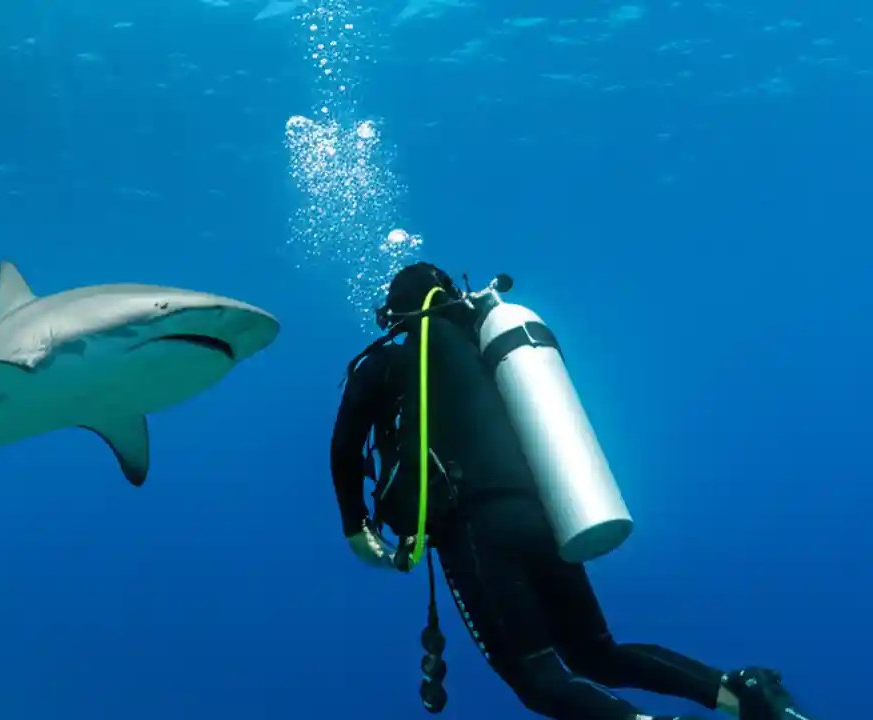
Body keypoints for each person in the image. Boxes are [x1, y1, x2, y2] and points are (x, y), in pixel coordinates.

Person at [328, 261, 812, 720]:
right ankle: (741, 693)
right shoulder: (492, 355)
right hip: (543, 512)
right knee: (598, 654)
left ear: (398, 314)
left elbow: (345, 444)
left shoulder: (389, 362)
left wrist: (356, 527)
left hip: (473, 525)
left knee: (535, 677)